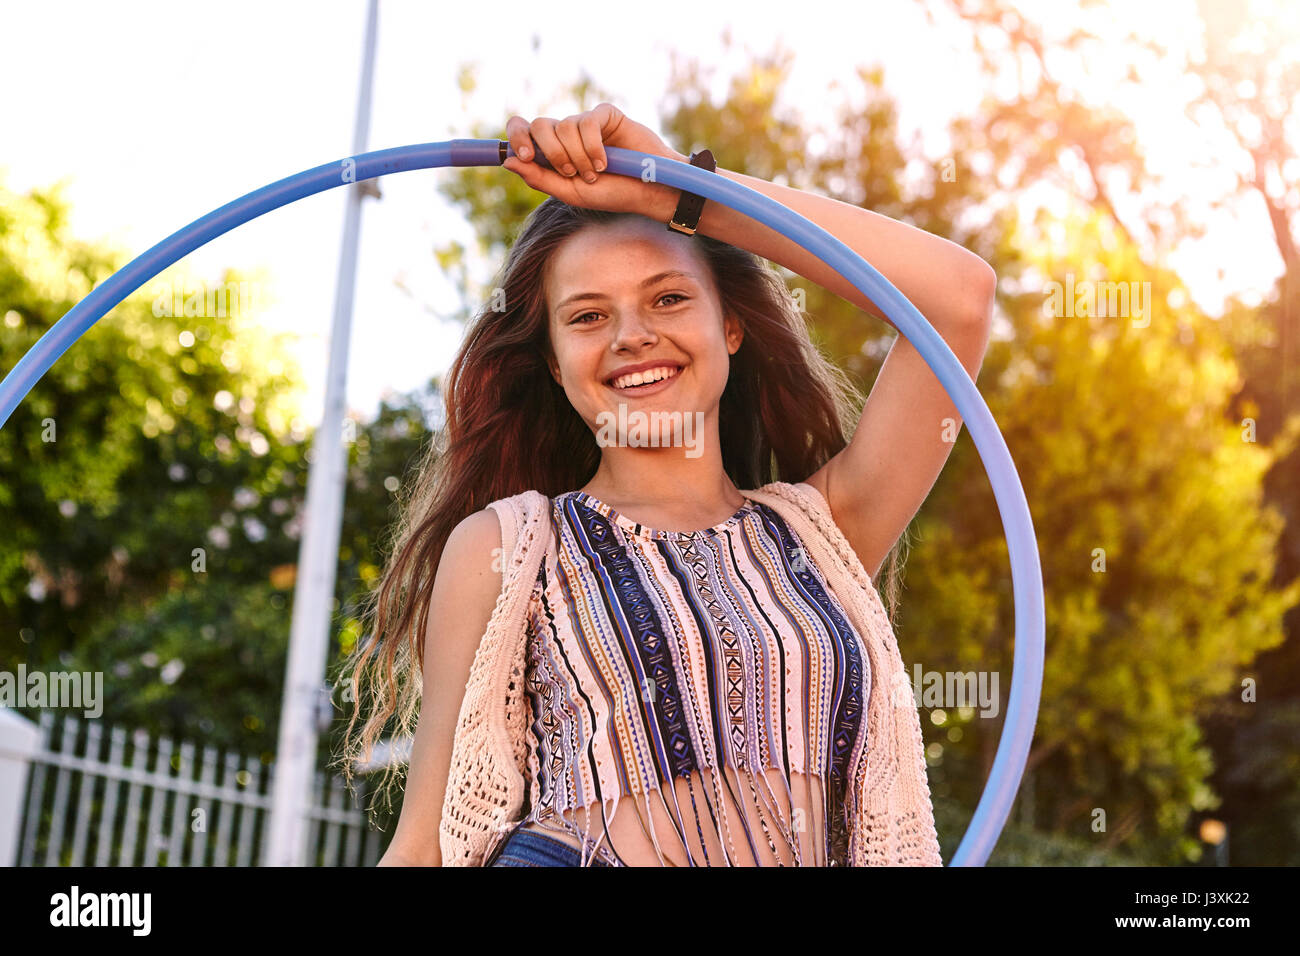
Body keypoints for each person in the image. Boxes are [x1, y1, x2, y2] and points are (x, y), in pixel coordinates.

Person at [337, 103, 996, 866]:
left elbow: (959, 300)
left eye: (670, 297)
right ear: (554, 363)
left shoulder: (826, 532)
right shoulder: (505, 548)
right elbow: (423, 850)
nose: (631, 336)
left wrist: (678, 193)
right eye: (587, 315)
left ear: (732, 327)